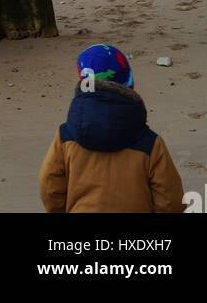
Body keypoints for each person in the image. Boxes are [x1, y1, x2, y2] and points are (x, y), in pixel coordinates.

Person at [39, 42, 184, 213]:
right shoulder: (149, 142)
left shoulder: (66, 136)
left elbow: (50, 186)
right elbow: (170, 199)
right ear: (129, 82)